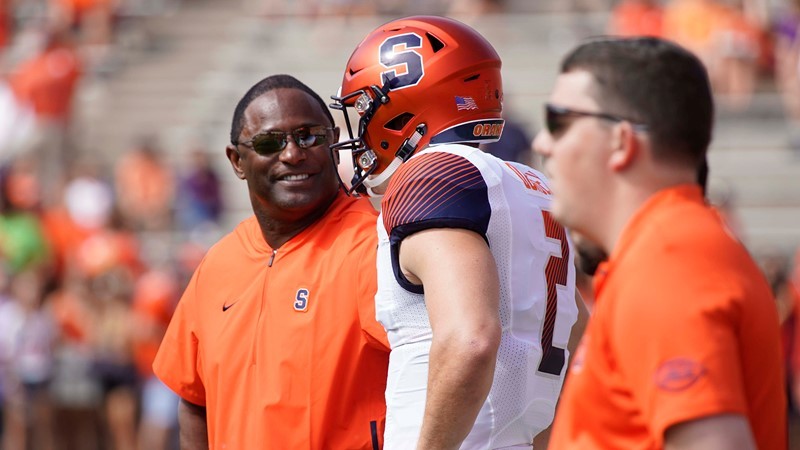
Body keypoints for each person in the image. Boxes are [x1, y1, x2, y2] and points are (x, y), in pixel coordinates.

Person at [330, 15, 587, 449]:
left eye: (364, 109)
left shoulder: (432, 175)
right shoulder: (530, 183)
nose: (359, 129)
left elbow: (470, 340)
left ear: (402, 107)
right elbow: (577, 340)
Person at [533, 36, 786, 449]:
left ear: (621, 142)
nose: (543, 143)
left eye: (559, 121)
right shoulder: (668, 248)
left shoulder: (667, 262)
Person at [152, 74, 390, 449]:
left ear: (334, 143)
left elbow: (440, 374)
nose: (293, 154)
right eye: (269, 142)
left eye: (309, 137)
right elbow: (195, 401)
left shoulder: (374, 247)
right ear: (237, 161)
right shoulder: (218, 263)